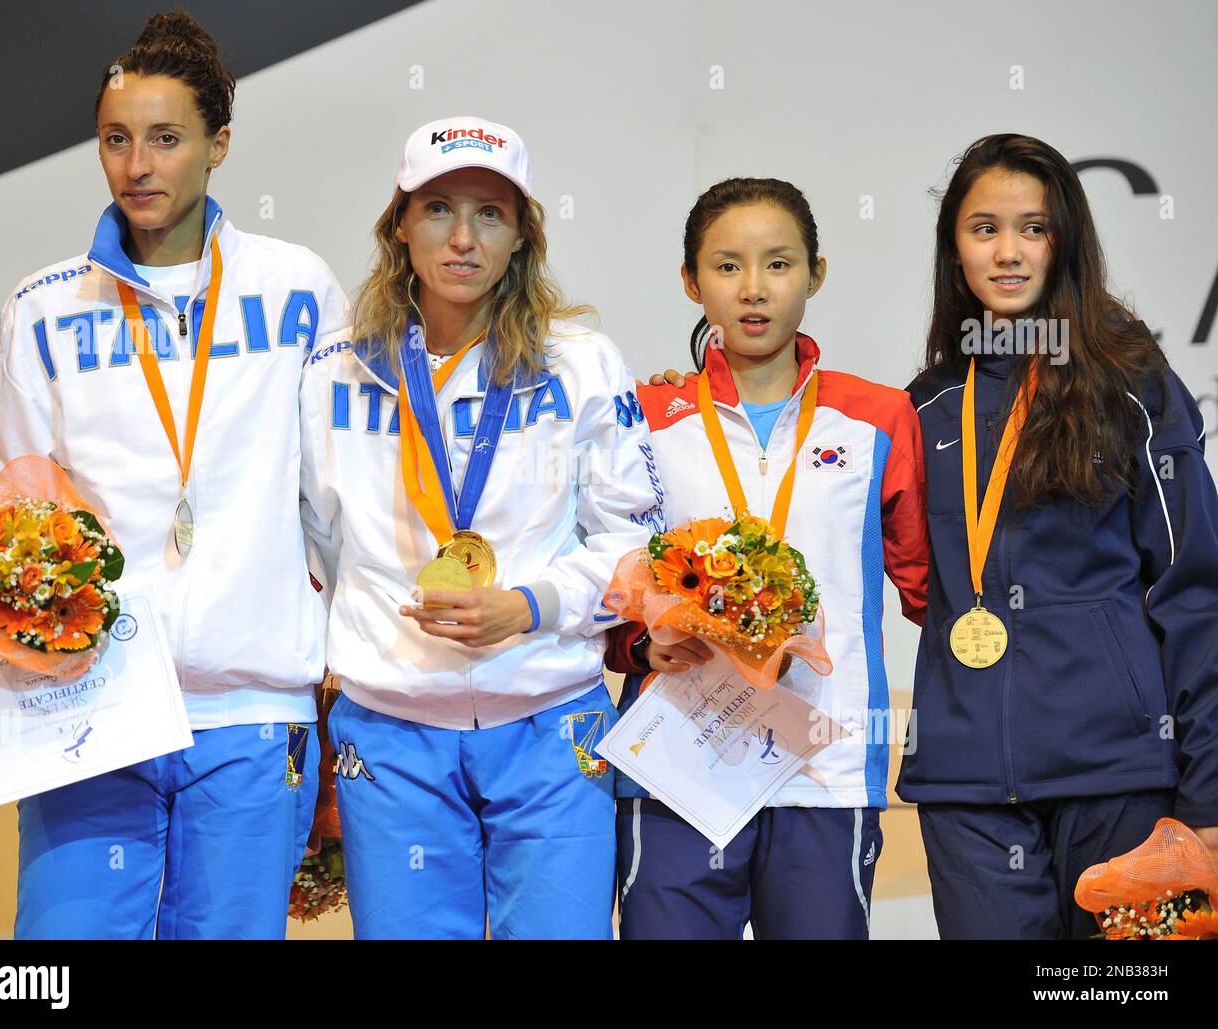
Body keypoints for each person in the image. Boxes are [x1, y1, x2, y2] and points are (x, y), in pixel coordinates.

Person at [0, 11, 350, 939]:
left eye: (166, 138)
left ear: (219, 144)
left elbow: (341, 505)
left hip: (252, 713)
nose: (137, 164)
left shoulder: (297, 289)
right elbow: (14, 514)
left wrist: (349, 688)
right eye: (115, 139)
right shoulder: (43, 306)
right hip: (87, 710)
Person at [299, 116, 664, 939]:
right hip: (391, 733)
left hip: (549, 721)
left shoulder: (581, 363)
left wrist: (530, 606)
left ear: (522, 236)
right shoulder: (335, 370)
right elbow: (319, 543)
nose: (462, 238)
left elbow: (633, 538)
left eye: (490, 214)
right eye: (438, 208)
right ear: (400, 223)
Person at [895, 133, 1218, 938]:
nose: (1008, 252)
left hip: (1118, 778)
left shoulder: (1132, 383)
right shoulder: (926, 405)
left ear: (1064, 239)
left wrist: (1210, 792)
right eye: (984, 229)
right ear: (954, 248)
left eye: (1033, 228)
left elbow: (1195, 591)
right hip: (966, 790)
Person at [607, 177, 928, 939]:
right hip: (676, 760)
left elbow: (928, 585)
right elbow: (607, 577)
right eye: (726, 267)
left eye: (778, 264)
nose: (754, 289)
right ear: (691, 281)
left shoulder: (878, 416)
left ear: (816, 272)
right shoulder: (646, 415)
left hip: (827, 763)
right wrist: (638, 642)